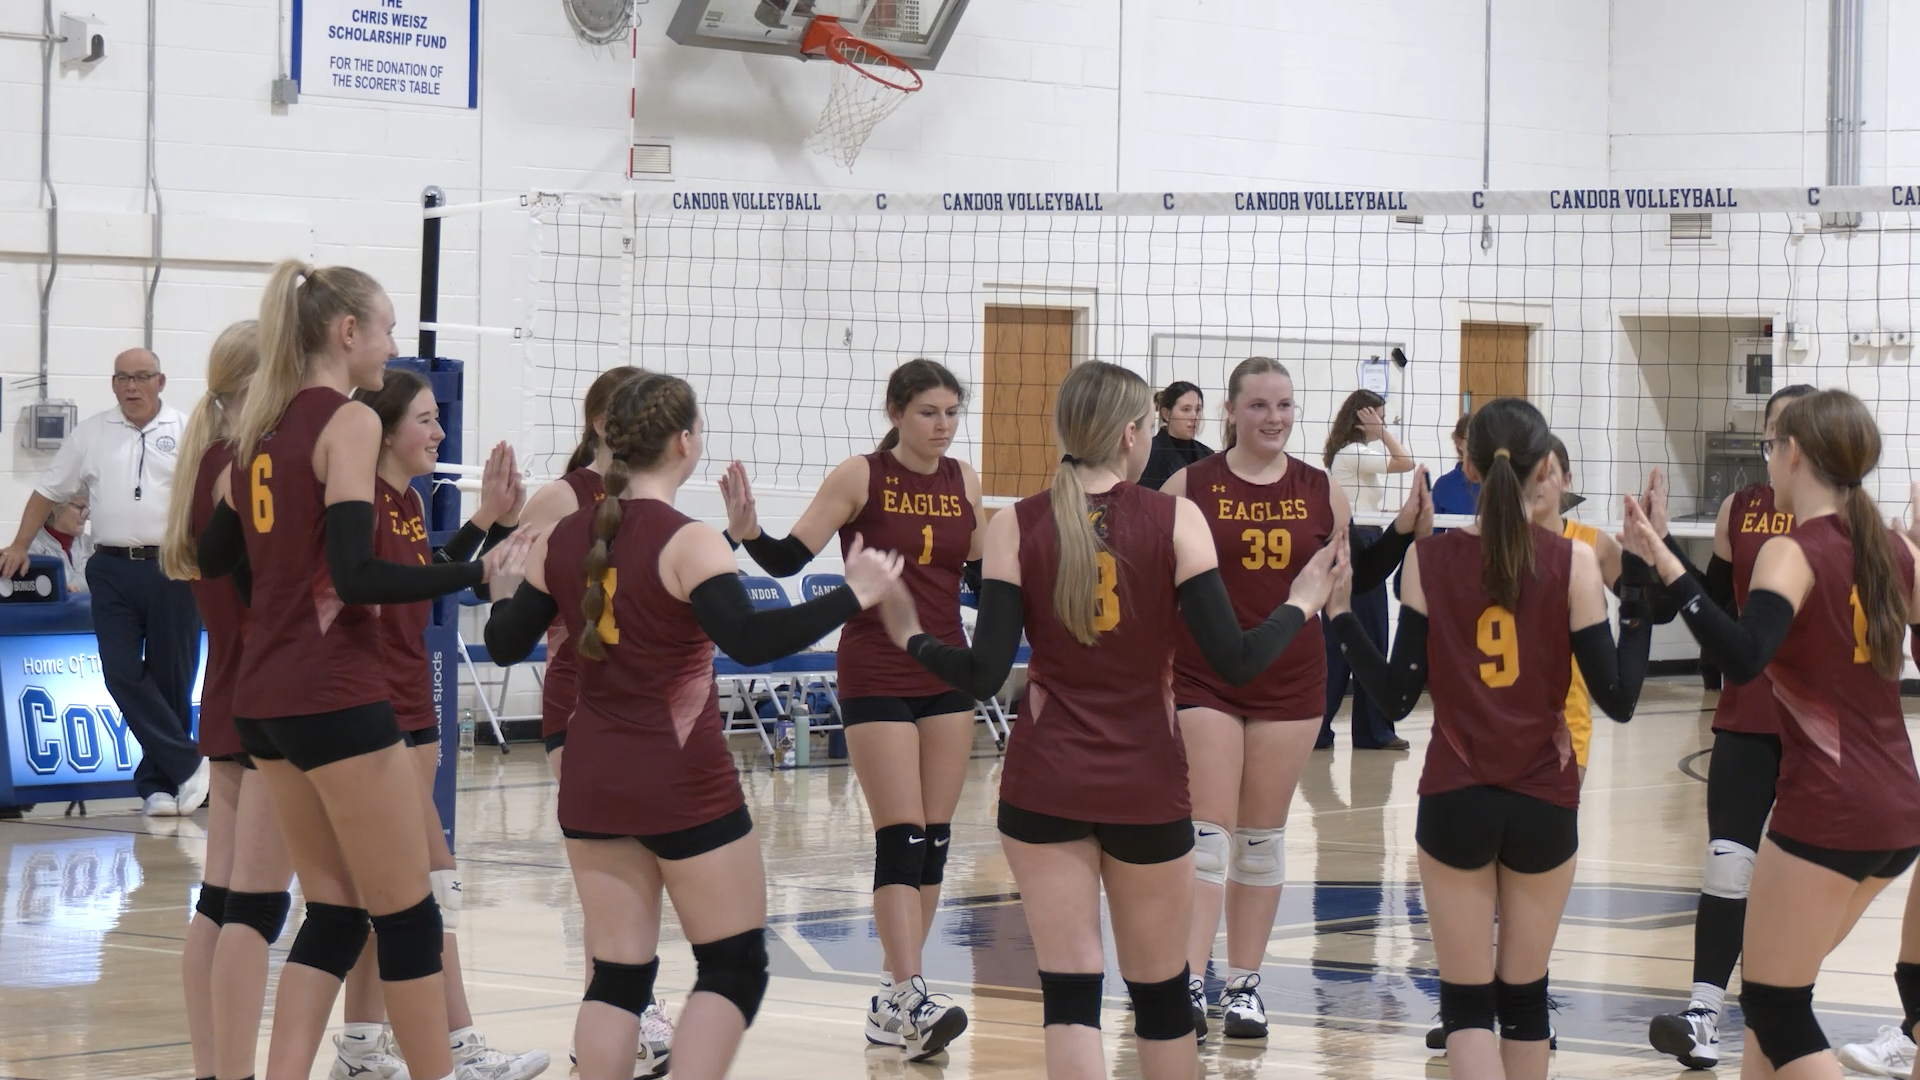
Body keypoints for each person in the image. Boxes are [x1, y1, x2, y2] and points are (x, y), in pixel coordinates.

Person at [877, 361, 1344, 1080]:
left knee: (1070, 999)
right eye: (1150, 426)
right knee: (1161, 1002)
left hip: (1043, 784)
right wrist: (1302, 602)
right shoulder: (1175, 519)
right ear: (1130, 434)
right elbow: (1237, 661)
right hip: (1145, 785)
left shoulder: (1015, 524)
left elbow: (982, 674)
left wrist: (910, 634)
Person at [483, 372, 905, 1080]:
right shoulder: (690, 541)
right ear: (684, 442)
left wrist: (502, 587)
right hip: (680, 778)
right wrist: (853, 594)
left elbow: (502, 644)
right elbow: (753, 641)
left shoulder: (561, 538)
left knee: (617, 974)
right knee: (733, 964)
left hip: (591, 776)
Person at [195, 259, 522, 1080]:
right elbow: (354, 574)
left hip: (264, 702)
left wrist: (280, 600)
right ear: (347, 333)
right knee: (408, 915)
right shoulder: (346, 422)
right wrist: (477, 573)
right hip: (333, 694)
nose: (392, 346)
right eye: (386, 330)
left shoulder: (258, 428)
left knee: (336, 914)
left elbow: (214, 555)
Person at [1327, 397, 1649, 1080]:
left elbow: (1396, 696)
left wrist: (1341, 617)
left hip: (1456, 795)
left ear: (1466, 467)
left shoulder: (1427, 560)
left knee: (1467, 1007)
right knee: (1526, 1003)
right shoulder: (1575, 562)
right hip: (1544, 797)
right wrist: (1641, 600)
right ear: (1546, 470)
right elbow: (1618, 699)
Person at [1620, 389, 1920, 1080]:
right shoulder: (1894, 547)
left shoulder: (1795, 549)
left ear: (1794, 454)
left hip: (1830, 809)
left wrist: (1666, 562)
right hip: (1898, 808)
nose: (1769, 456)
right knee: (1772, 1002)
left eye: (1771, 445)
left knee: (1776, 1007)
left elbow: (1743, 655)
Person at [717, 358, 983, 1056]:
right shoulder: (861, 475)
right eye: (928, 412)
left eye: (952, 412)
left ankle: (897, 999)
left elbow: (985, 572)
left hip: (946, 664)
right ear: (896, 412)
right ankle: (910, 992)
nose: (943, 426)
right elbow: (787, 560)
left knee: (935, 838)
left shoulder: (964, 479)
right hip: (877, 667)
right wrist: (747, 531)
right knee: (901, 836)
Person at [1158, 356, 1427, 1040]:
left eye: (1284, 405)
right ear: (1230, 411)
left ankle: (1244, 986)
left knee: (1259, 839)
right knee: (1208, 836)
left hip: (1291, 679)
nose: (1274, 417)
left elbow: (1353, 577)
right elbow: (1157, 582)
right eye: (1258, 405)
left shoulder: (1321, 488)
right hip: (1206, 676)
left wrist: (1400, 530)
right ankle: (1187, 981)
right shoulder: (1189, 484)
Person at [327, 369, 547, 1080]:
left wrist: (486, 521)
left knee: (387, 890)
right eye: (424, 419)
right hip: (377, 706)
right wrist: (481, 571)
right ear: (385, 430)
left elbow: (426, 571)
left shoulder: (412, 499)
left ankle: (363, 1047)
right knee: (428, 882)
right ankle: (459, 1048)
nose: (440, 431)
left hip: (415, 700)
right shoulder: (360, 500)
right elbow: (380, 582)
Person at [1642, 383, 1815, 1070]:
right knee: (1726, 864)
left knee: (1802, 877)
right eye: (1773, 435)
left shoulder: (1842, 521)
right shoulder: (1739, 510)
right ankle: (1703, 1016)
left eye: (1791, 436)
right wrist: (1660, 547)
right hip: (1747, 713)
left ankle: (1789, 1015)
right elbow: (1709, 608)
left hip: (1815, 726)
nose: (1780, 448)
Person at [509, 364, 676, 1077]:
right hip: (579, 702)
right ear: (605, 424)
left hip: (642, 707)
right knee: (610, 873)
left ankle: (617, 1019)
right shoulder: (563, 497)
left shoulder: (652, 494)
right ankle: (618, 1018)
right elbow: (515, 599)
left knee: (636, 870)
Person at [165, 320, 297, 1080]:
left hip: (227, 687)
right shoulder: (245, 467)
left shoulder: (208, 458)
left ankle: (213, 1068)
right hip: (267, 691)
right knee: (253, 903)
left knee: (220, 896)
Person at [0, 347, 209, 817]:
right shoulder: (91, 433)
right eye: (122, 378)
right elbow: (46, 492)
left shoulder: (187, 430)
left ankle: (158, 785)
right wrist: (19, 544)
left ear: (160, 381)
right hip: (112, 568)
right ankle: (187, 762)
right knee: (118, 670)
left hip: (172, 565)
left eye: (141, 377)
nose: (131, 386)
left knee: (172, 676)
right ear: (113, 384)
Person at [1320, 388, 1418, 751]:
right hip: (1358, 545)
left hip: (1359, 542)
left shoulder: (1353, 453)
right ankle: (1371, 731)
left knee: (1344, 639)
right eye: (1379, 415)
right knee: (1362, 639)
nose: (1383, 422)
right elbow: (1405, 461)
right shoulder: (1354, 452)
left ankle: (1335, 730)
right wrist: (1384, 432)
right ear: (1363, 417)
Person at [1140, 380, 1213, 491]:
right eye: (1186, 409)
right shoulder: (1149, 452)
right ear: (1166, 414)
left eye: (1198, 409)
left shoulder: (1208, 455)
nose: (1194, 416)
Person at [27, 493, 92, 591]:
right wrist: (56, 591)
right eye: (80, 507)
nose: (86, 515)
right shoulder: (33, 548)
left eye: (87, 508)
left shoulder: (91, 544)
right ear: (55, 507)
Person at [1431, 414, 1480, 519]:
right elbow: (1433, 528)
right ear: (1459, 444)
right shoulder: (1444, 485)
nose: (1479, 445)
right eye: (1472, 439)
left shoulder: (1499, 484)